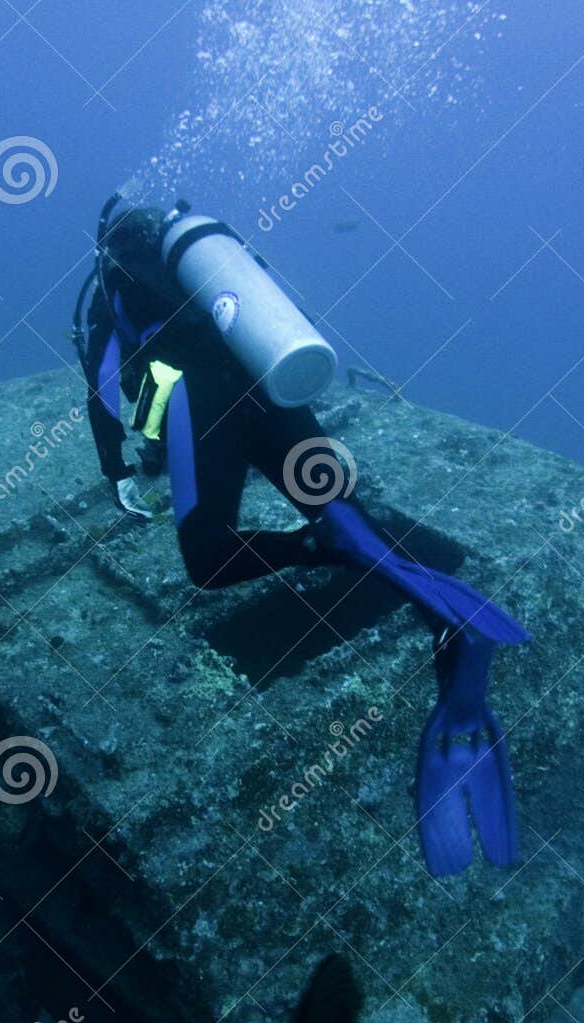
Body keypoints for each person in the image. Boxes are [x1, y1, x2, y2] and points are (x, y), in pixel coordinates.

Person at [74, 196, 530, 877]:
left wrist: (116, 469)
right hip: (270, 384)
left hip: (205, 403)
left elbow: (105, 388)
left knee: (209, 559)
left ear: (105, 247)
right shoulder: (209, 266)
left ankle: (323, 547)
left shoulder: (110, 285)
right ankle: (456, 648)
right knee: (355, 522)